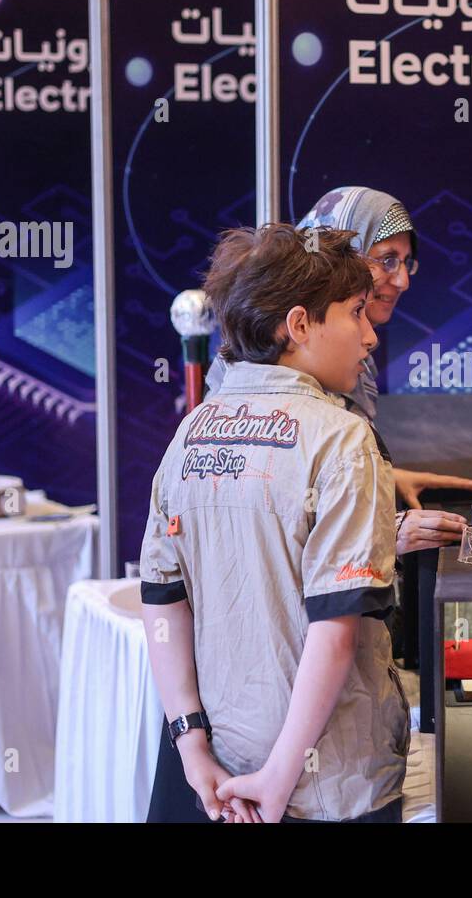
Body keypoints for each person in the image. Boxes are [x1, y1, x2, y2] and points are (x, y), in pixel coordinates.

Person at [141, 223, 408, 824]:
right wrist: (280, 778)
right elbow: (335, 629)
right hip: (328, 784)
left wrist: (192, 747)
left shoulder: (191, 432)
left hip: (220, 774)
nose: (369, 336)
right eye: (356, 313)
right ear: (299, 325)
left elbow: (161, 601)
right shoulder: (342, 439)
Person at [206, 186, 472, 535]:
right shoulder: (259, 374)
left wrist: (376, 477)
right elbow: (255, 505)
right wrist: (383, 532)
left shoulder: (350, 362)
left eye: (406, 261)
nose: (403, 279)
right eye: (386, 259)